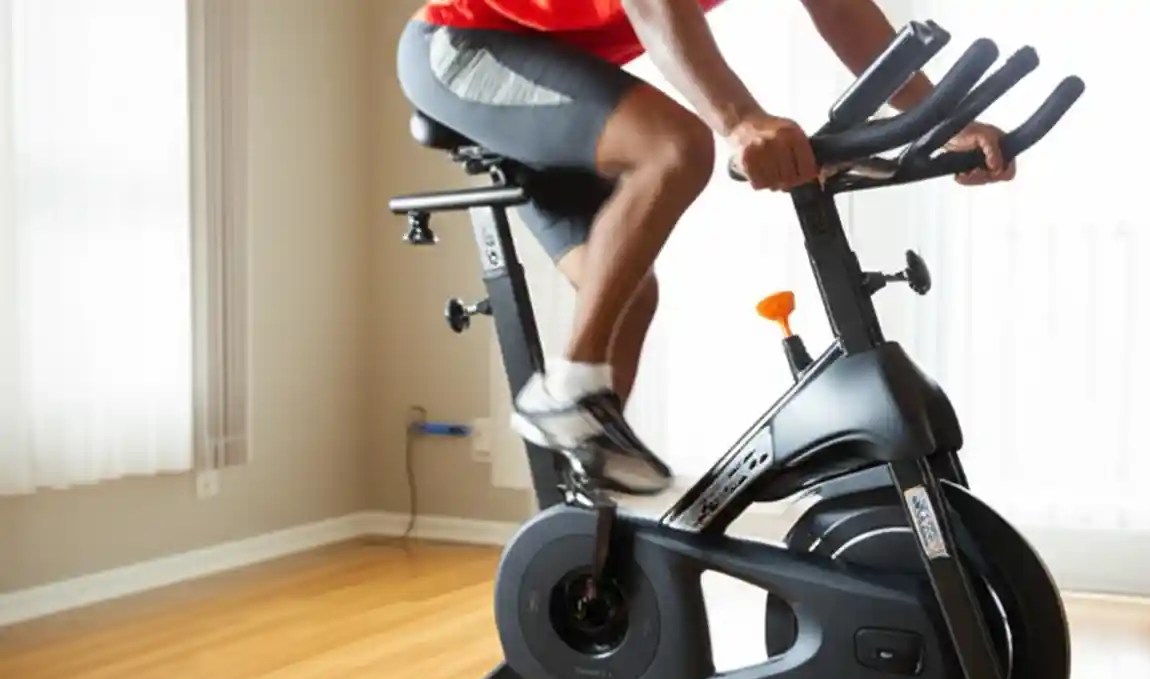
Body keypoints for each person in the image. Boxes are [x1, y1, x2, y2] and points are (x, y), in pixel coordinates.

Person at [397, 0, 1016, 496]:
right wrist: (740, 117)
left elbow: (843, 11)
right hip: (463, 44)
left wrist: (944, 122)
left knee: (627, 291)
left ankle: (584, 535)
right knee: (677, 147)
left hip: (555, 64)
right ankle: (565, 391)